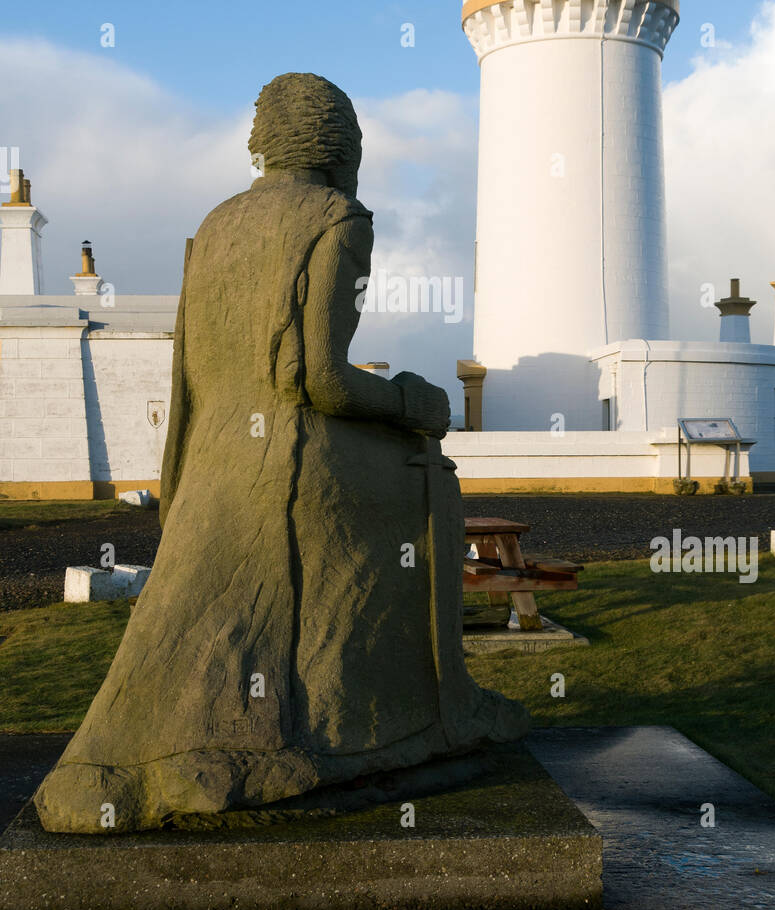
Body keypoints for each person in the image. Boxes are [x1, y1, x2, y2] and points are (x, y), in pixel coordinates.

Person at [35, 73, 529, 833]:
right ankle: (420, 712)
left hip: (215, 461)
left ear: (264, 141)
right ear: (344, 147)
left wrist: (181, 490)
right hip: (297, 457)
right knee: (427, 478)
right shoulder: (339, 218)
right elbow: (318, 379)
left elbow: (190, 377)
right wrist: (411, 404)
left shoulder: (217, 222)